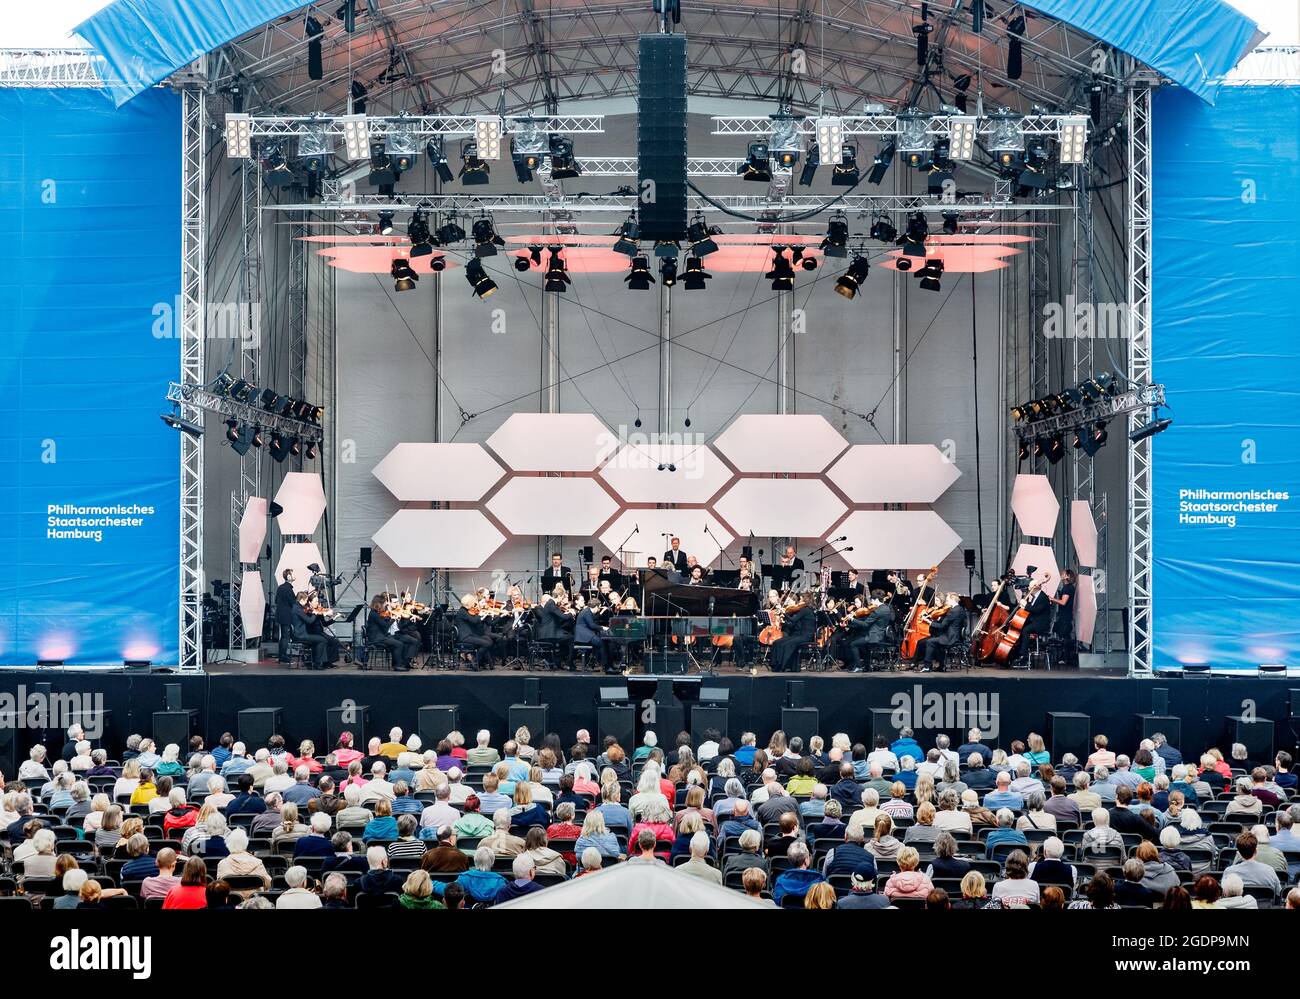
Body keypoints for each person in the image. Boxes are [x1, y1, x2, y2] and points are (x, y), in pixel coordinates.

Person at [275, 568, 298, 662]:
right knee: (286, 637)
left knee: (284, 636)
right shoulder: (288, 589)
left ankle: (281, 656)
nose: (294, 575)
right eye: (292, 574)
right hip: (286, 615)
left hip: (280, 615)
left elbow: (276, 600)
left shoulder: (280, 587)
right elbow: (293, 603)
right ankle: (283, 657)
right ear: (288, 576)